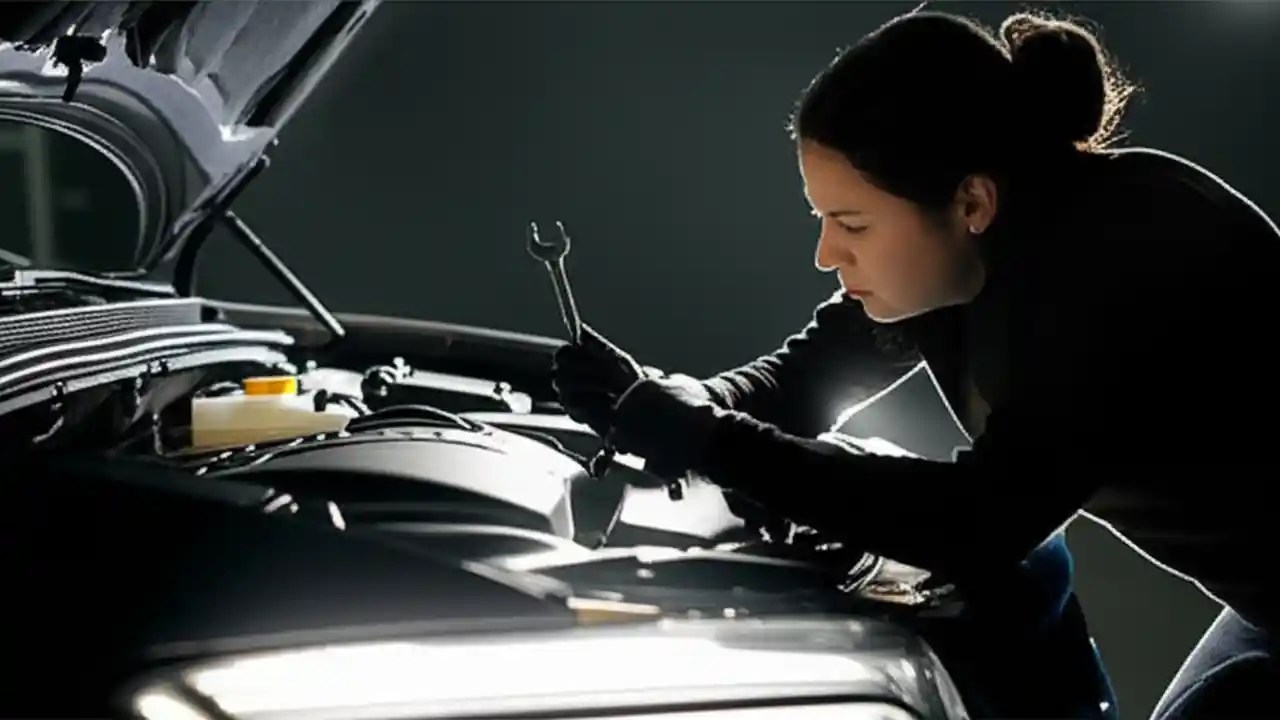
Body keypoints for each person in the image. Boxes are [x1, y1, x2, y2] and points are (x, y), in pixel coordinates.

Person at [551, 8, 1280, 720]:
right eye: (823, 220)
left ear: (972, 200)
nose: (827, 255)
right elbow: (807, 379)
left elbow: (974, 525)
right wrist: (674, 400)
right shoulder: (974, 245)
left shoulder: (1118, 274)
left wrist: (711, 440)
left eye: (854, 224)